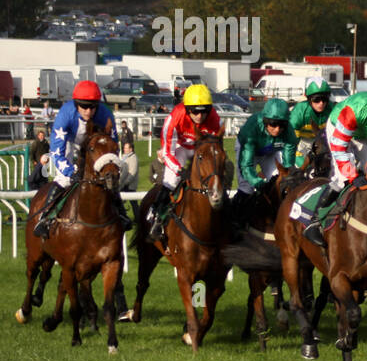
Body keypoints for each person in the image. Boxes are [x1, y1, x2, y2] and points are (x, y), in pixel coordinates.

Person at [303, 78, 367, 246]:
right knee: (341, 179)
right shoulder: (354, 110)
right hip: (339, 129)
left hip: (365, 133)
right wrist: (352, 175)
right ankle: (313, 221)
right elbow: (338, 146)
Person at [32, 81, 129, 238]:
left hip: (94, 144)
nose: (88, 111)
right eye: (84, 107)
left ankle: (121, 214)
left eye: (92, 107)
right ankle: (45, 218)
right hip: (70, 143)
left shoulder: (105, 114)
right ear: (76, 104)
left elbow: (112, 147)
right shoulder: (65, 114)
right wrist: (71, 172)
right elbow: (57, 151)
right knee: (64, 179)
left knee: (108, 178)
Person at [148, 84, 223, 244]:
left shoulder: (215, 119)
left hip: (201, 150)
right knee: (171, 178)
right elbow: (167, 152)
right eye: (195, 111)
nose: (199, 115)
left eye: (204, 111)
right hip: (180, 148)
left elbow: (216, 148)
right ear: (187, 109)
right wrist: (180, 170)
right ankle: (157, 216)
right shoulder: (176, 117)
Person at [233, 98, 296, 229]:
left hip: (269, 152)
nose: (277, 129)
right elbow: (246, 166)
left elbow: (288, 164)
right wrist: (257, 182)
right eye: (273, 124)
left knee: (278, 181)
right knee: (247, 186)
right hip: (248, 149)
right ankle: (235, 221)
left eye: (281, 125)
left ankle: (276, 214)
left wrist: (288, 176)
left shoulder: (289, 131)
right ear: (265, 121)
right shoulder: (252, 129)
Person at [288, 77, 333, 168]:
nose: (321, 103)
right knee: (305, 168)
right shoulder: (299, 112)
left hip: (323, 143)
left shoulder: (332, 109)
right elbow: (291, 142)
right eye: (317, 99)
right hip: (301, 143)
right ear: (309, 99)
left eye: (325, 99)